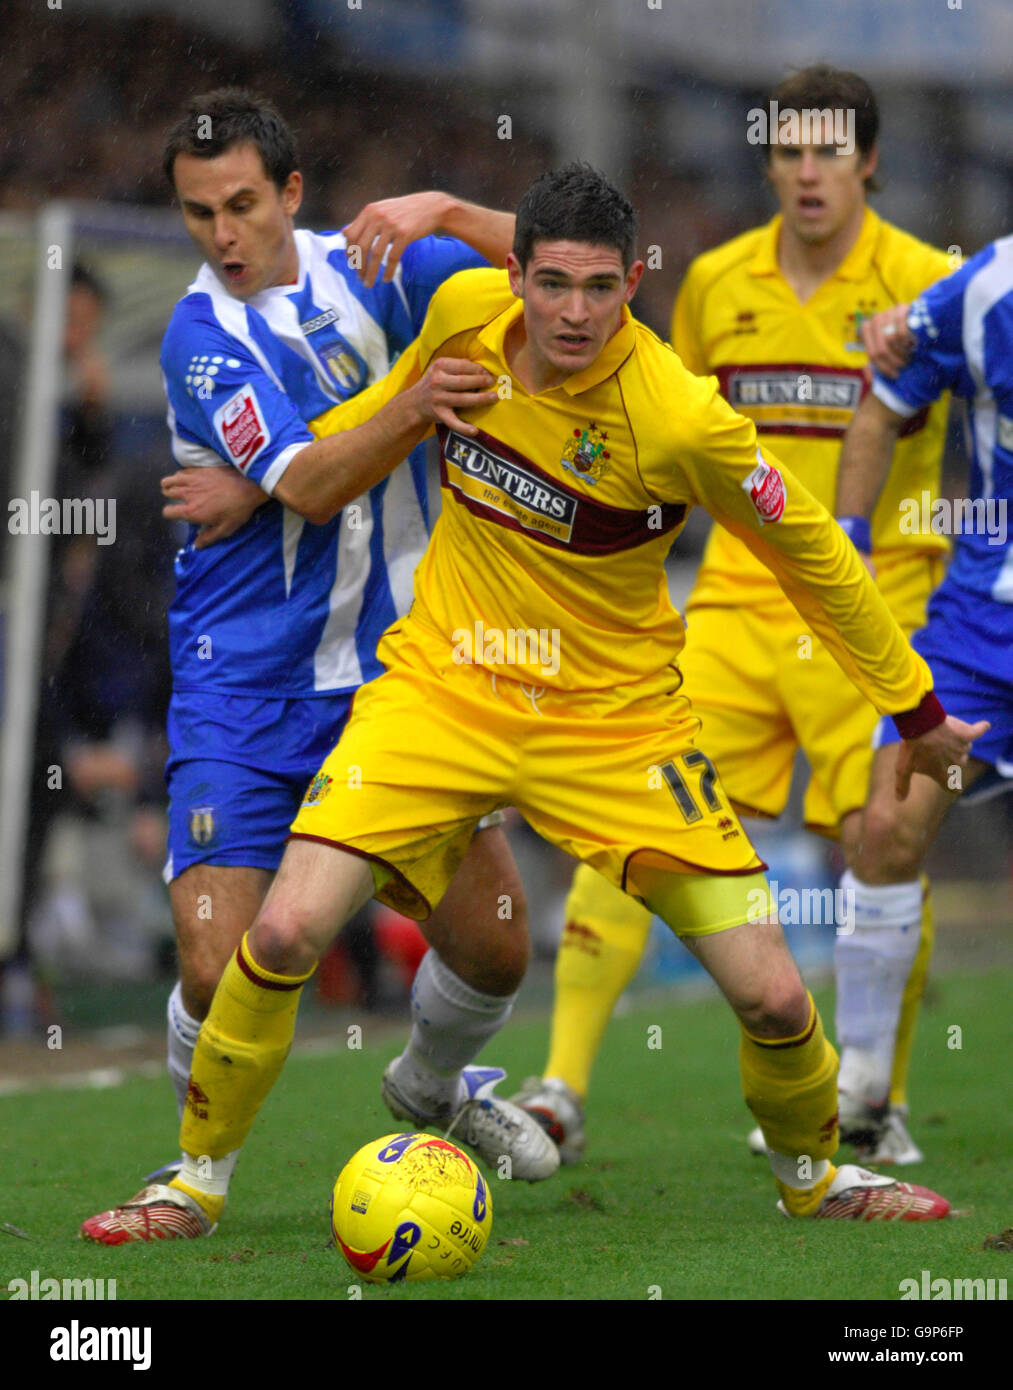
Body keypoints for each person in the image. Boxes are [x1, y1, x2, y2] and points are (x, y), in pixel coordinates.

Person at [83, 163, 984, 1241]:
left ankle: (813, 1173)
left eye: (599, 288)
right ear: (511, 274)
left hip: (617, 728)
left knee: (777, 1000)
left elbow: (818, 567)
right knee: (279, 933)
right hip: (441, 695)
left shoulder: (682, 417)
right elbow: (363, 433)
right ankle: (194, 1180)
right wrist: (273, 479)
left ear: (633, 283)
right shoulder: (462, 317)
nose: (571, 312)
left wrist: (920, 718)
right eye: (549, 282)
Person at [81, 90, 556, 1246]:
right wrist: (414, 404)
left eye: (242, 204)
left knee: (496, 939)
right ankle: (195, 1174)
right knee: (224, 961)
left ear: (293, 193)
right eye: (198, 213)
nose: (222, 233)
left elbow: (557, 272)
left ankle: (434, 1087)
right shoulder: (201, 339)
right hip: (242, 685)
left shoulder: (375, 261)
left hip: (392, 683)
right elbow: (309, 481)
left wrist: (447, 202)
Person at [516, 66, 955, 1167]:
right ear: (764, 160)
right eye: (787, 150)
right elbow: (668, 439)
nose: (806, 171)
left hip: (880, 602)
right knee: (635, 812)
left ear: (867, 162)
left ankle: (872, 1096)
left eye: (829, 151)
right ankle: (559, 1086)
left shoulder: (924, 282)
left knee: (877, 838)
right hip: (735, 600)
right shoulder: (712, 282)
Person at [828, 239, 1012, 1115]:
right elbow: (879, 406)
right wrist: (849, 546)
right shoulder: (982, 294)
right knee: (886, 830)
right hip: (980, 641)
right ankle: (860, 1084)